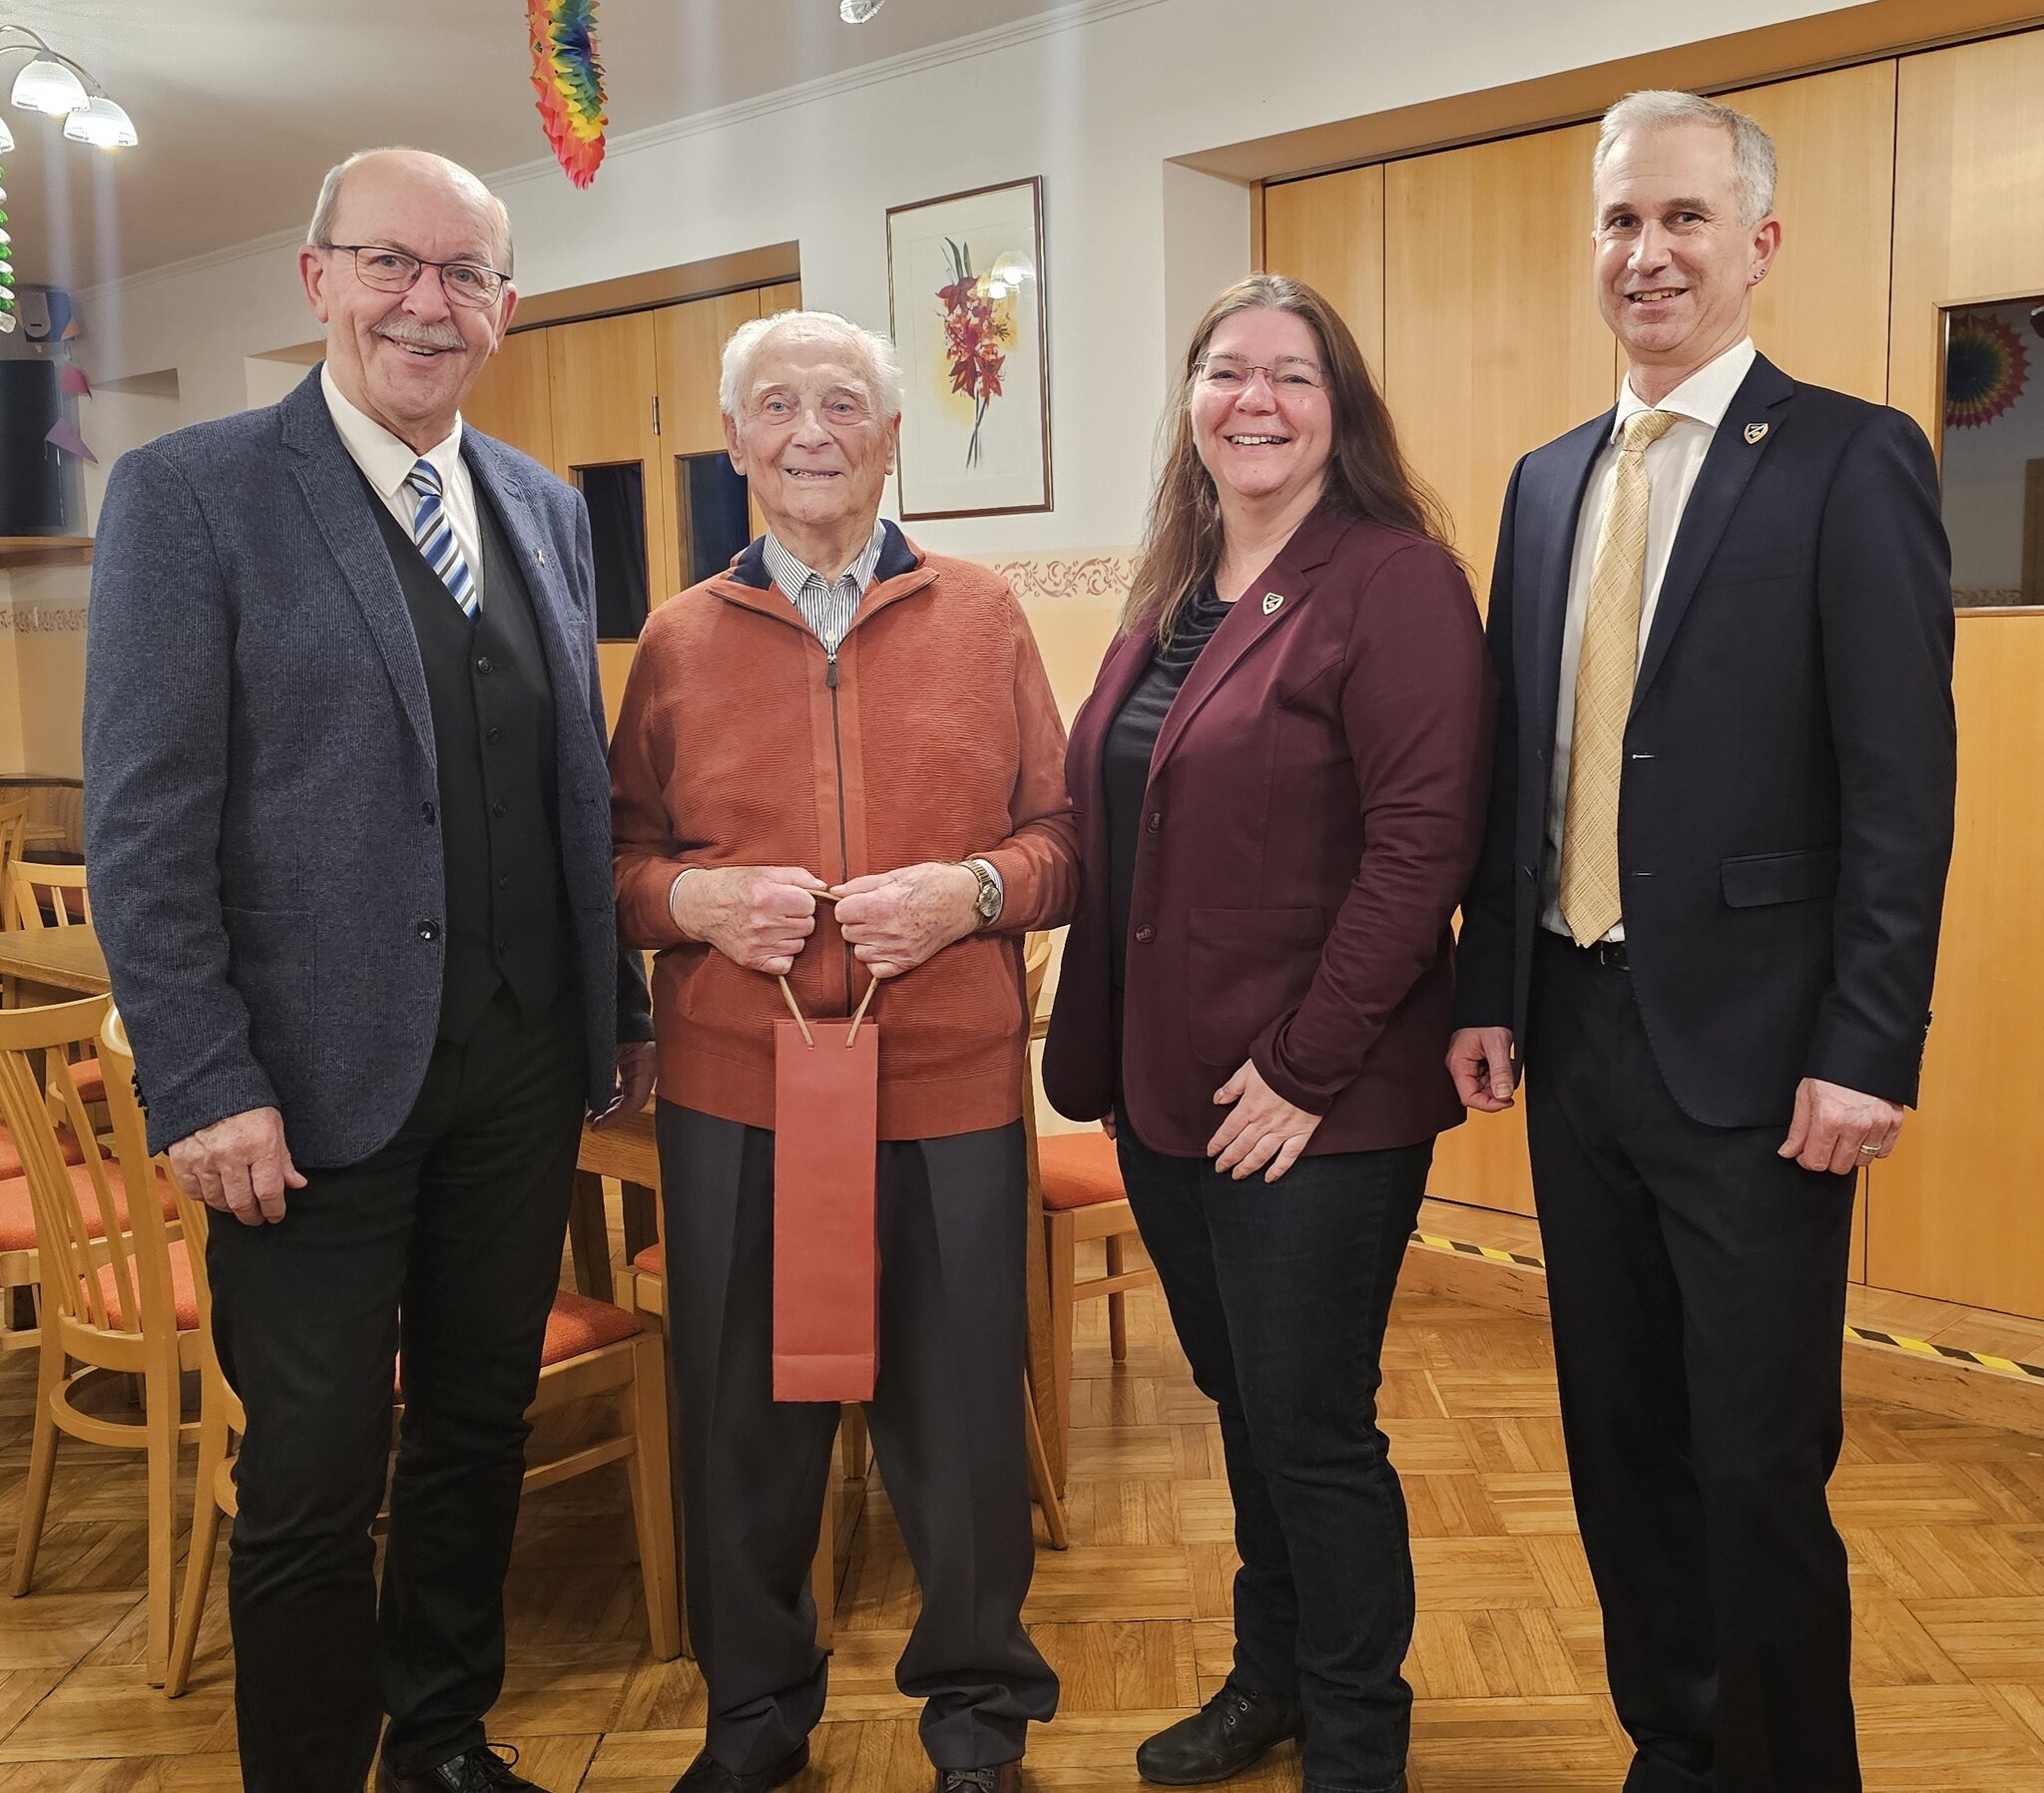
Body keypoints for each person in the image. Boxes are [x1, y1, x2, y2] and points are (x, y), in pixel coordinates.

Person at [83, 148, 655, 1793]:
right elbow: (142, 823)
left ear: (507, 306)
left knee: (479, 1427)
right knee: (317, 1476)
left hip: (519, 1069)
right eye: (391, 262)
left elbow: (570, 786)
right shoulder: (194, 494)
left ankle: (445, 1742)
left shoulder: (544, 506)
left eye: (465, 272)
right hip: (304, 1096)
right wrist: (203, 1080)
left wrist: (610, 1014)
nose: (428, 299)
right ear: (317, 277)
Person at [1448, 91, 1956, 1793]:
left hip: (1763, 1060)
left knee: (1756, 1459)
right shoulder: (1541, 485)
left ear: (1760, 242)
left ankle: (1791, 1766)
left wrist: (1869, 1043)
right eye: (1618, 222)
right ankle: (1673, 1741)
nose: (1645, 253)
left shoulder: (1850, 455)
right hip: (1579, 1039)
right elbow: (1520, 762)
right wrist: (1488, 991)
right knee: (1620, 1443)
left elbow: (1902, 782)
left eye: (1680, 218)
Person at [609, 308, 1074, 1793]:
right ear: (737, 442)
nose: (812, 429)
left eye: (844, 404)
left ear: (890, 438)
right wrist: (690, 901)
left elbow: (1068, 842)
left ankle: (977, 1713)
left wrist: (968, 894)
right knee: (744, 1420)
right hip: (736, 1092)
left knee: (959, 1425)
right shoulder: (677, 638)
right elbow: (615, 864)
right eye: (778, 405)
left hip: (942, 1086)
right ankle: (755, 1716)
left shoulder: (988, 614)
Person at [1042, 273, 1494, 1793]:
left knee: (1314, 1425)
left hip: (1315, 1099)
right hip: (1165, 1094)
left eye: (1294, 376)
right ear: (1190, 401)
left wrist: (1302, 1068)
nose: (1257, 399)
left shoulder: (1395, 579)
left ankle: (1361, 1735)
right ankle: (1273, 1679)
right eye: (1228, 370)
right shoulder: (1172, 595)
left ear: (1340, 409)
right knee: (1244, 1406)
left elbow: (1423, 844)